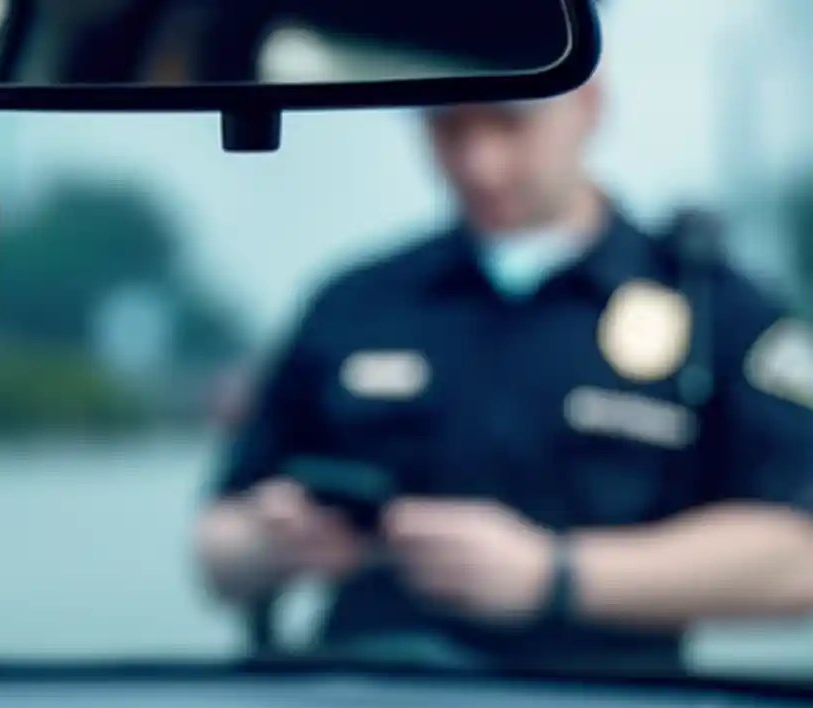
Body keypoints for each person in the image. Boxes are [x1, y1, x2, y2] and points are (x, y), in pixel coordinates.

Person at [195, 76, 813, 673]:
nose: (479, 164)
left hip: (606, 703)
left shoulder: (713, 310)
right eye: (447, 128)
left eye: (510, 124)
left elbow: (801, 557)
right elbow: (214, 549)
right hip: (369, 693)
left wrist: (556, 575)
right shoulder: (355, 303)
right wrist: (268, 544)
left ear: (589, 107)